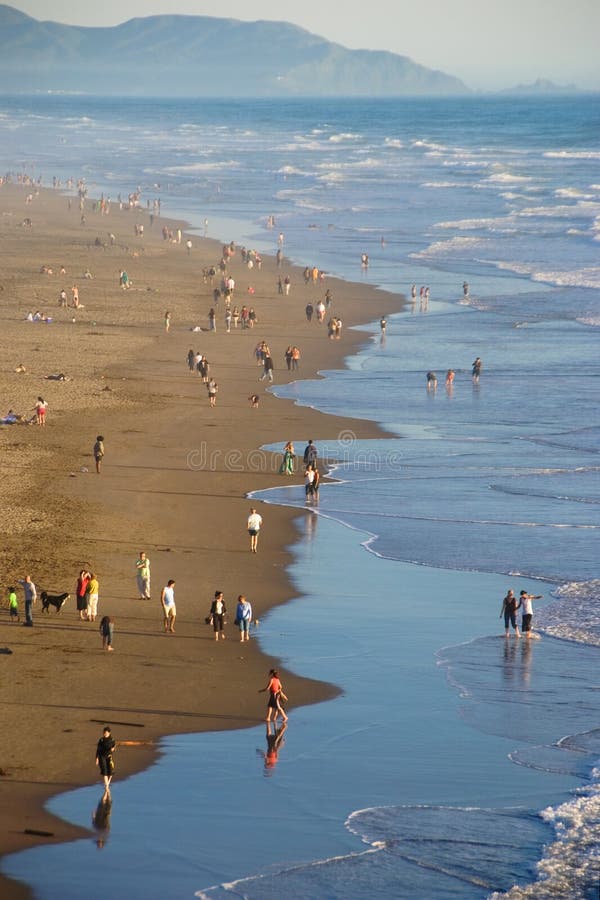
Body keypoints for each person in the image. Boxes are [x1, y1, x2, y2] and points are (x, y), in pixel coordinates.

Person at [96, 726, 116, 793]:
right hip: (102, 757)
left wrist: (113, 749)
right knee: (104, 771)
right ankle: (107, 787)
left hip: (109, 757)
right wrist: (97, 758)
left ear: (109, 733)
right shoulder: (101, 740)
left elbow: (114, 747)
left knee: (110, 772)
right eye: (104, 732)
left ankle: (108, 783)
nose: (104, 734)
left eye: (106, 733)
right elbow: (98, 750)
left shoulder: (112, 740)